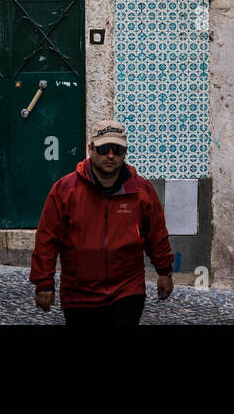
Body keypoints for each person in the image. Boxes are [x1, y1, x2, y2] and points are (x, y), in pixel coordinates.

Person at [30, 119, 175, 325]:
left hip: (127, 289)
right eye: (104, 148)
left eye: (117, 150)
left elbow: (157, 234)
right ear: (91, 149)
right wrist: (44, 283)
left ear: (125, 152)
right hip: (79, 294)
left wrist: (164, 271)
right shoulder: (65, 190)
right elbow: (47, 239)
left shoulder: (141, 190)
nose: (110, 155)